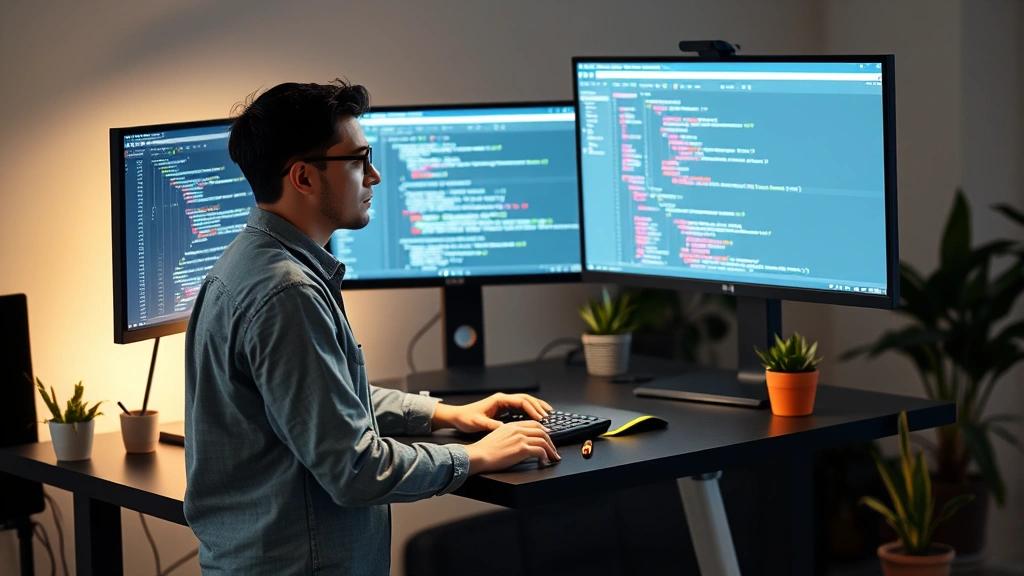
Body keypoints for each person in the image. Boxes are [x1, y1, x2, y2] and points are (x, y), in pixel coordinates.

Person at [184, 79, 560, 575]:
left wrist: (447, 414)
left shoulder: (246, 262)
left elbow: (321, 399)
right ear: (303, 177)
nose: (375, 176)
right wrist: (477, 458)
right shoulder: (286, 294)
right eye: (358, 160)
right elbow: (355, 469)